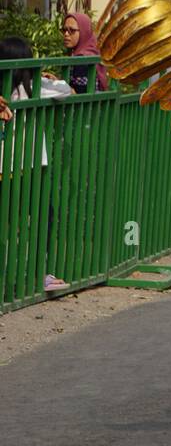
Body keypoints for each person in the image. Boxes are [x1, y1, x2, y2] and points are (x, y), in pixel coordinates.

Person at [0, 36, 72, 293]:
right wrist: (51, 79)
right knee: (44, 215)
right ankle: (38, 275)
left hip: (4, 169)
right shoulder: (34, 88)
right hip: (28, 167)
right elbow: (66, 91)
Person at [61, 12, 108, 93]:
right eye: (64, 30)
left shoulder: (82, 59)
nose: (66, 34)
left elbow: (80, 96)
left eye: (71, 30)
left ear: (84, 32)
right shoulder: (92, 52)